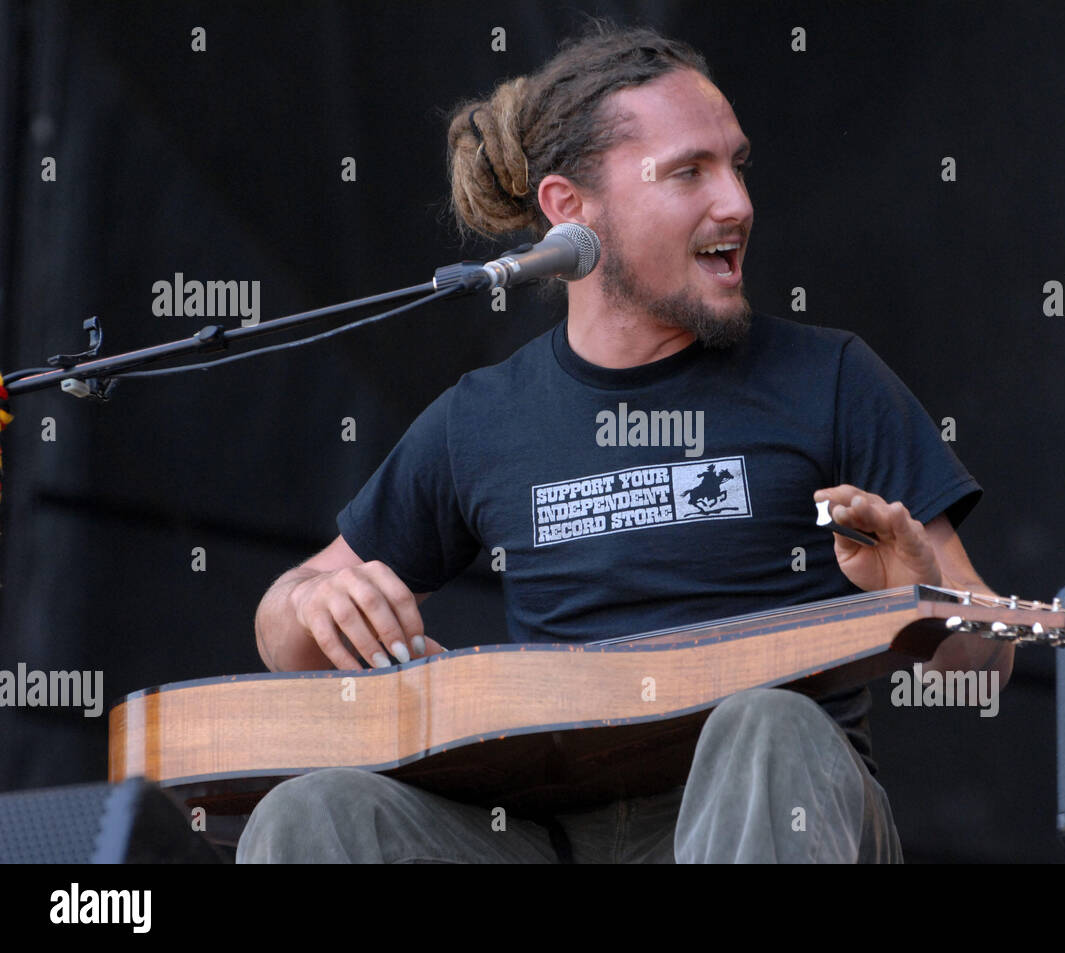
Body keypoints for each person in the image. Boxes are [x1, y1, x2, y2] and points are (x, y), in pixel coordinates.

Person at [237, 21, 1011, 864]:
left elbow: (991, 660)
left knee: (766, 721)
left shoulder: (831, 378)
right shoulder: (484, 417)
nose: (738, 203)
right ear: (572, 211)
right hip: (545, 830)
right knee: (311, 813)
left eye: (736, 164)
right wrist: (312, 604)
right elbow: (287, 634)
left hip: (772, 805)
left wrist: (925, 600)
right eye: (689, 172)